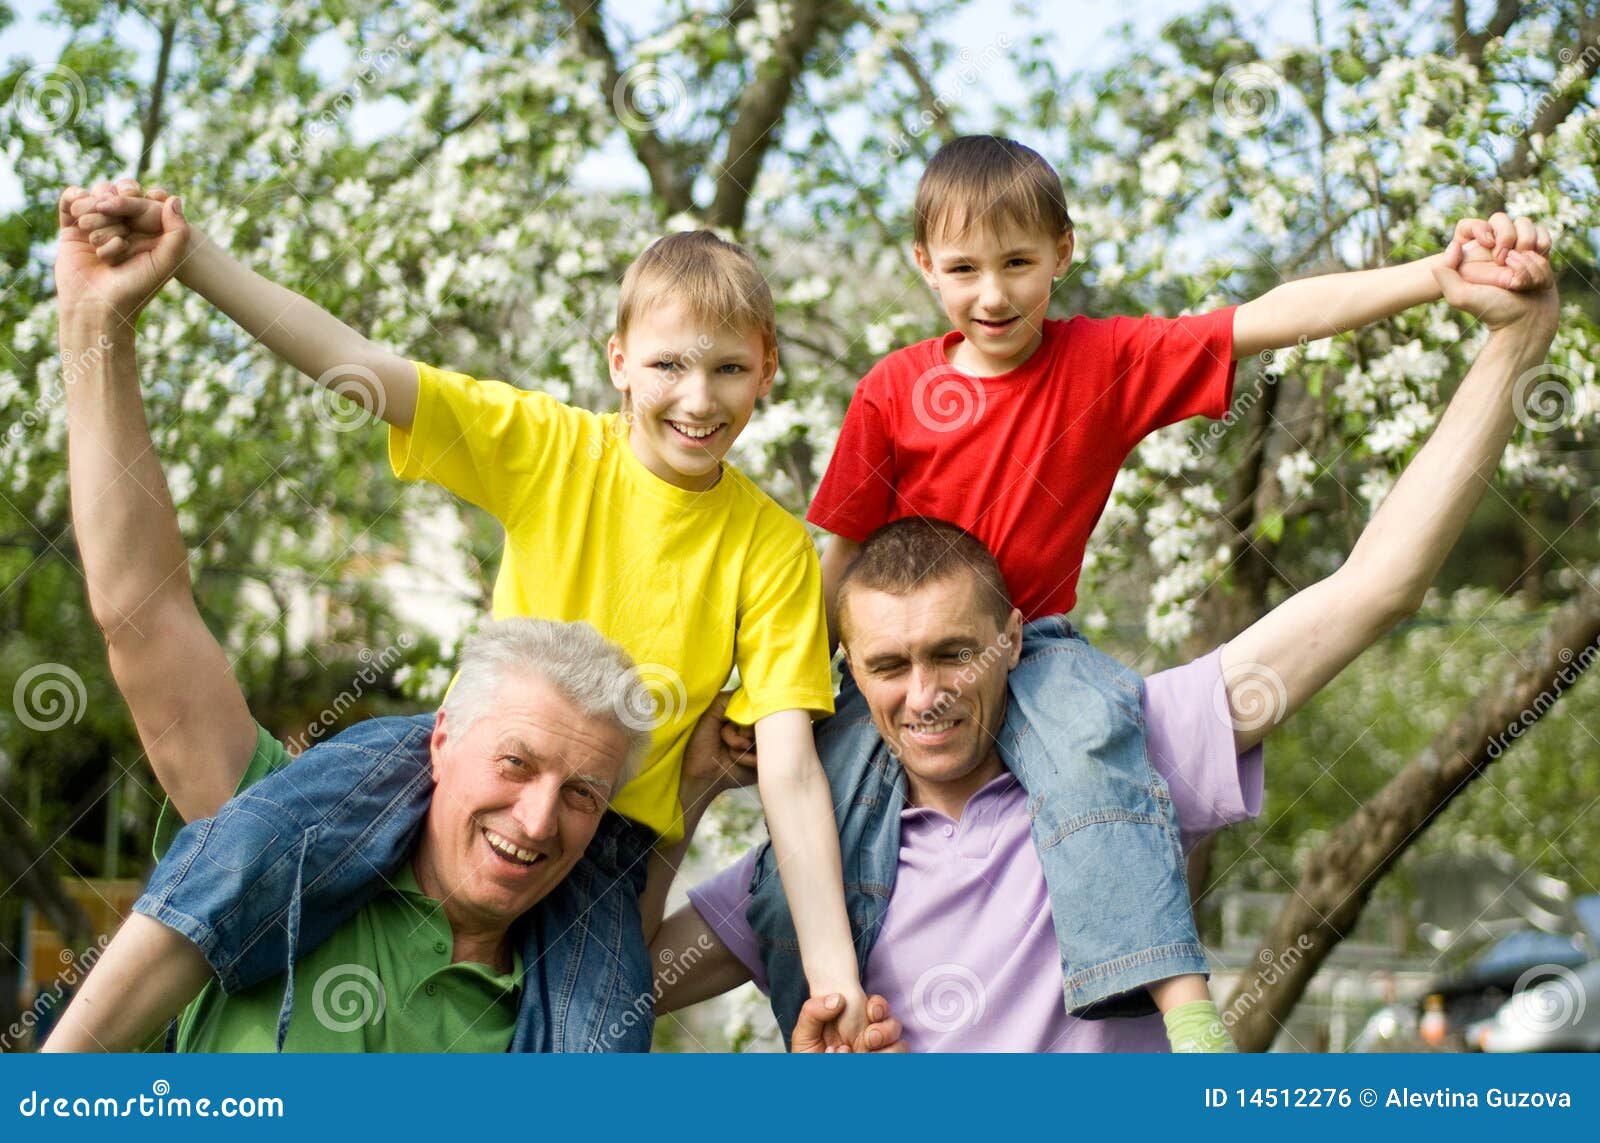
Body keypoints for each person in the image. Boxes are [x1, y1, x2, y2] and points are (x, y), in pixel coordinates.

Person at [658, 234, 1560, 1050]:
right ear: (849, 667)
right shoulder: (825, 844)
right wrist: (695, 776)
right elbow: (622, 984)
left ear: (1015, 640)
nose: (923, 691)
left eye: (954, 653)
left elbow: (1376, 586)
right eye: (889, 664)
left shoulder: (1129, 741)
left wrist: (1515, 346)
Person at [64, 182, 866, 1050]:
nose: (700, 400)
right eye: (670, 364)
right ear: (619, 361)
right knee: (252, 845)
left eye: (729, 369)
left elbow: (788, 773)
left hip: (612, 844)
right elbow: (360, 366)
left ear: (768, 368)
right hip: (423, 773)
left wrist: (834, 981)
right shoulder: (552, 450)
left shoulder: (775, 546)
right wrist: (193, 260)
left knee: (603, 1041)